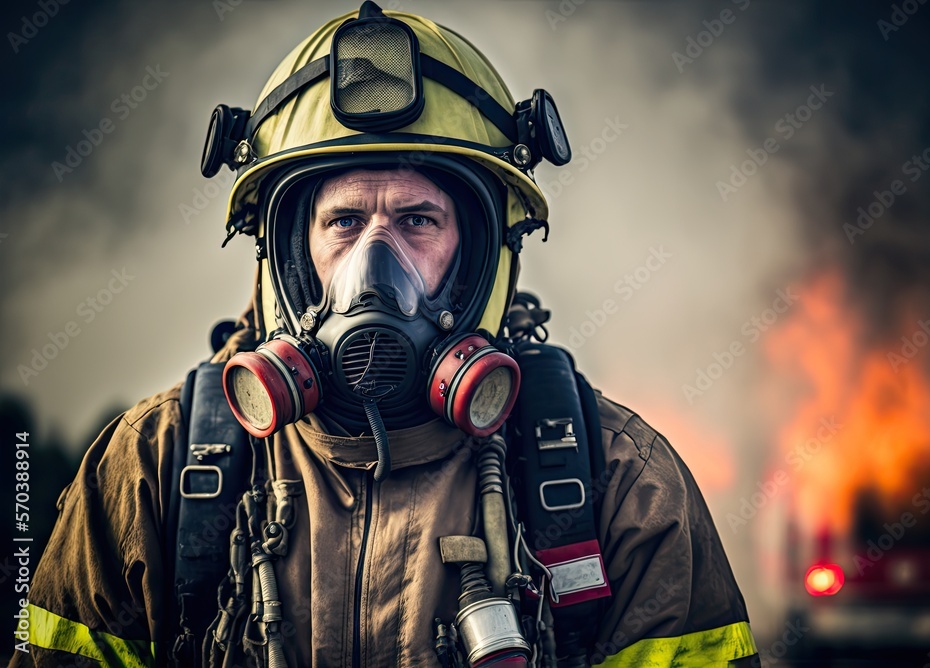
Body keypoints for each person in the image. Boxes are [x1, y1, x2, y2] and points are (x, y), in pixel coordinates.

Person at [13, 3, 759, 666]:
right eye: (342, 222)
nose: (374, 268)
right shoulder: (151, 472)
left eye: (417, 221)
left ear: (481, 256)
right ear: (286, 256)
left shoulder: (623, 487)